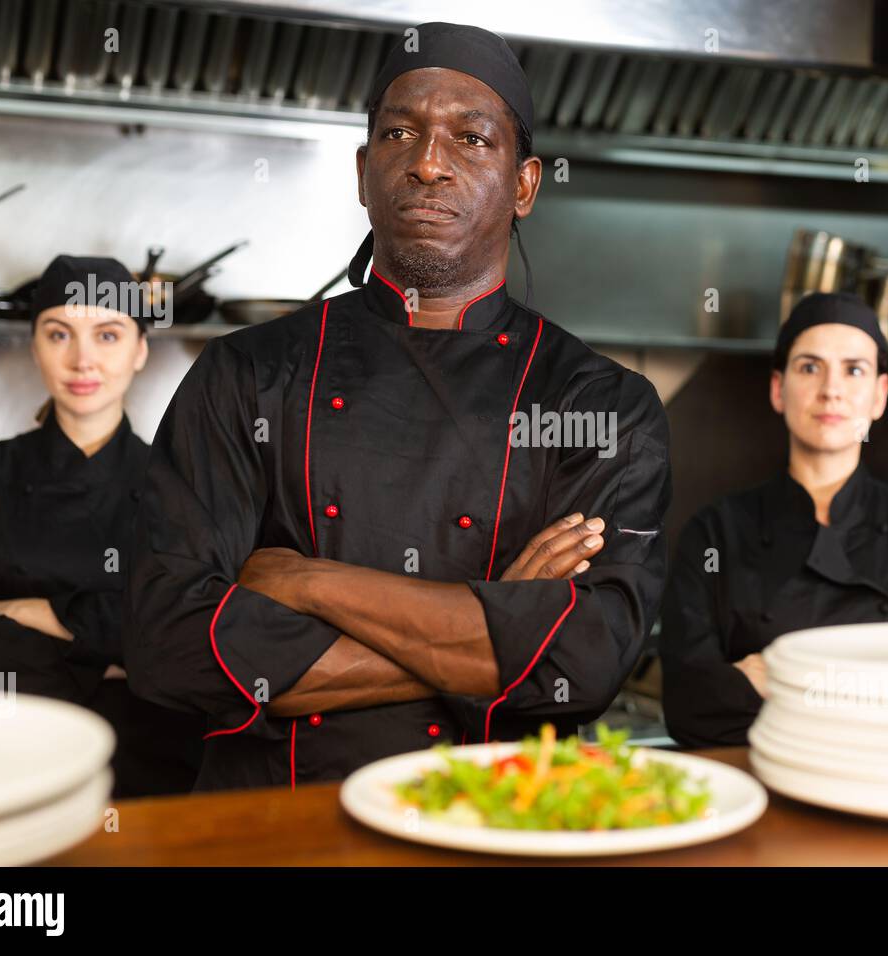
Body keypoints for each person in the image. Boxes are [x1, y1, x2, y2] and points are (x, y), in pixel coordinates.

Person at [124, 22, 672, 791]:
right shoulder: (245, 374)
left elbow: (580, 662)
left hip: (494, 827)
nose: (426, 163)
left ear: (525, 184)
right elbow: (169, 644)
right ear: (362, 170)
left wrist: (311, 584)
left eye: (471, 139)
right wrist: (499, 626)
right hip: (276, 835)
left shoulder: (602, 405)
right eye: (399, 133)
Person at [0, 255, 203, 796]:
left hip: (150, 767)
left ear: (141, 350)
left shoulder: (181, 486)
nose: (82, 360)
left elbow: (186, 643)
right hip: (0, 764)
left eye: (108, 335)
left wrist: (42, 613)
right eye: (58, 334)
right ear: (34, 345)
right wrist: (110, 652)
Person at [659, 292, 888, 748]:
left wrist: (777, 677)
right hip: (766, 796)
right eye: (809, 367)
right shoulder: (715, 533)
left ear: (879, 396)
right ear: (778, 390)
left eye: (854, 369)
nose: (831, 389)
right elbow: (688, 707)